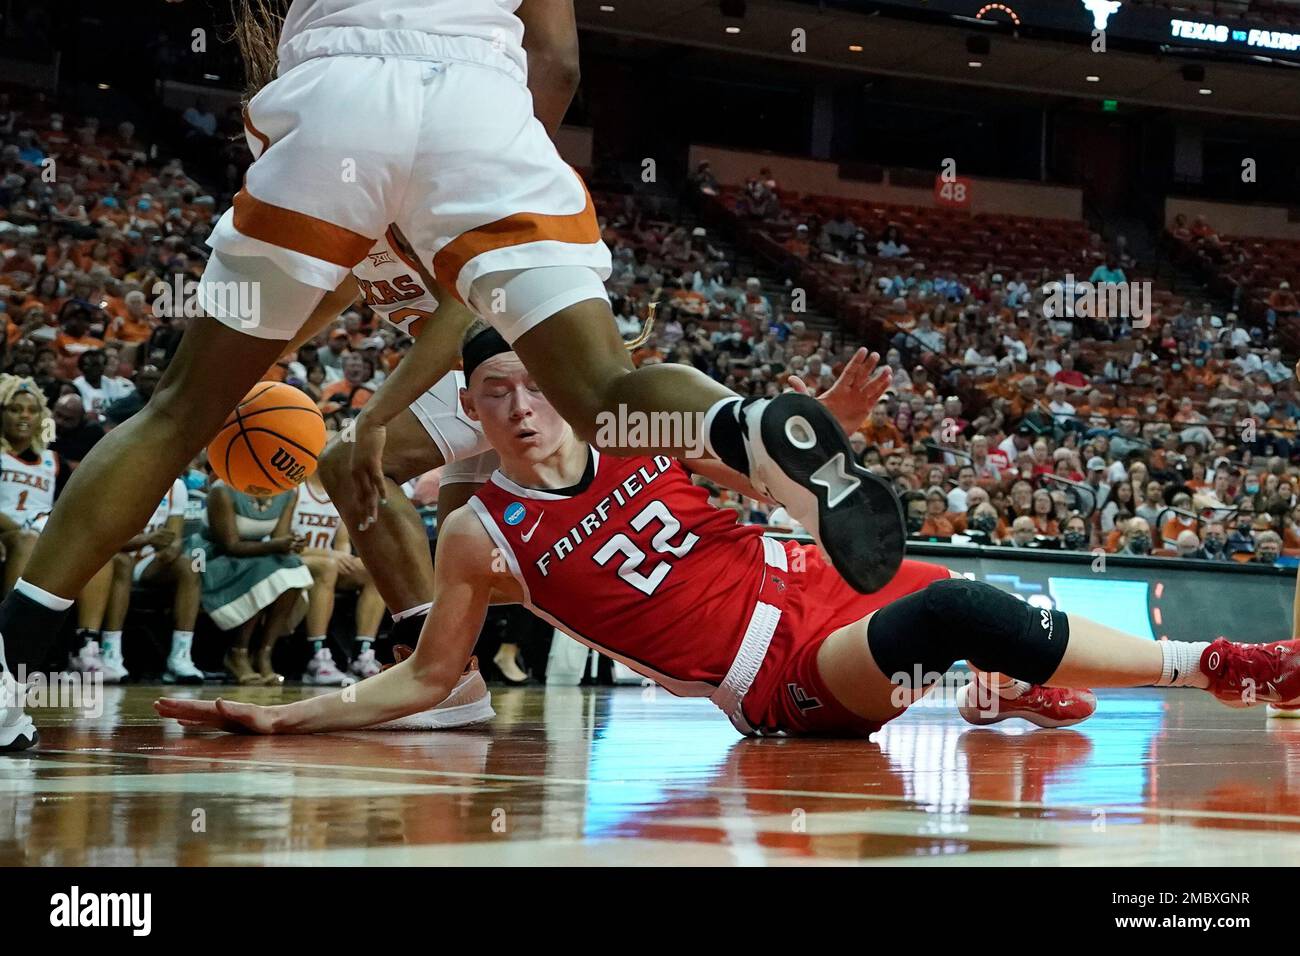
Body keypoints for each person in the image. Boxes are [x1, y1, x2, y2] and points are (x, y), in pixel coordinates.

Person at [0, 0, 904, 752]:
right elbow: (552, 55)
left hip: (351, 120)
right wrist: (497, 147)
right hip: (483, 103)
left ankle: (15, 660)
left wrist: (263, 364)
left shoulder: (312, 87)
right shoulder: (471, 127)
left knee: (175, 416)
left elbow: (451, 317)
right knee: (603, 400)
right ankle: (744, 428)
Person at [157, 327, 1300, 739]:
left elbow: (762, 458)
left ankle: (1011, 676)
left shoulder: (644, 426)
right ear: (475, 414)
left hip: (810, 582)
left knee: (944, 582)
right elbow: (424, 675)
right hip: (777, 679)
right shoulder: (477, 526)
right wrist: (290, 714)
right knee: (948, 612)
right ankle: (1222, 667)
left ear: (557, 384)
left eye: (527, 383)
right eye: (490, 396)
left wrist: (827, 426)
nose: (515, 406)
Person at [100, 475, 203, 684]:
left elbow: (173, 536)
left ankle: (180, 656)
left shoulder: (177, 487)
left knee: (190, 567)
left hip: (147, 559)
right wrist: (147, 539)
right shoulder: (122, 476)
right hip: (112, 556)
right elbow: (105, 538)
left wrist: (172, 549)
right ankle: (110, 652)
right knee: (123, 563)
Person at [289, 469, 385, 684]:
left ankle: (362, 653)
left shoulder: (339, 494)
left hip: (326, 563)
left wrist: (341, 556)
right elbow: (283, 543)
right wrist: (330, 555)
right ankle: (317, 656)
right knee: (328, 567)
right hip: (295, 560)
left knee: (375, 569)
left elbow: (342, 543)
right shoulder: (295, 489)